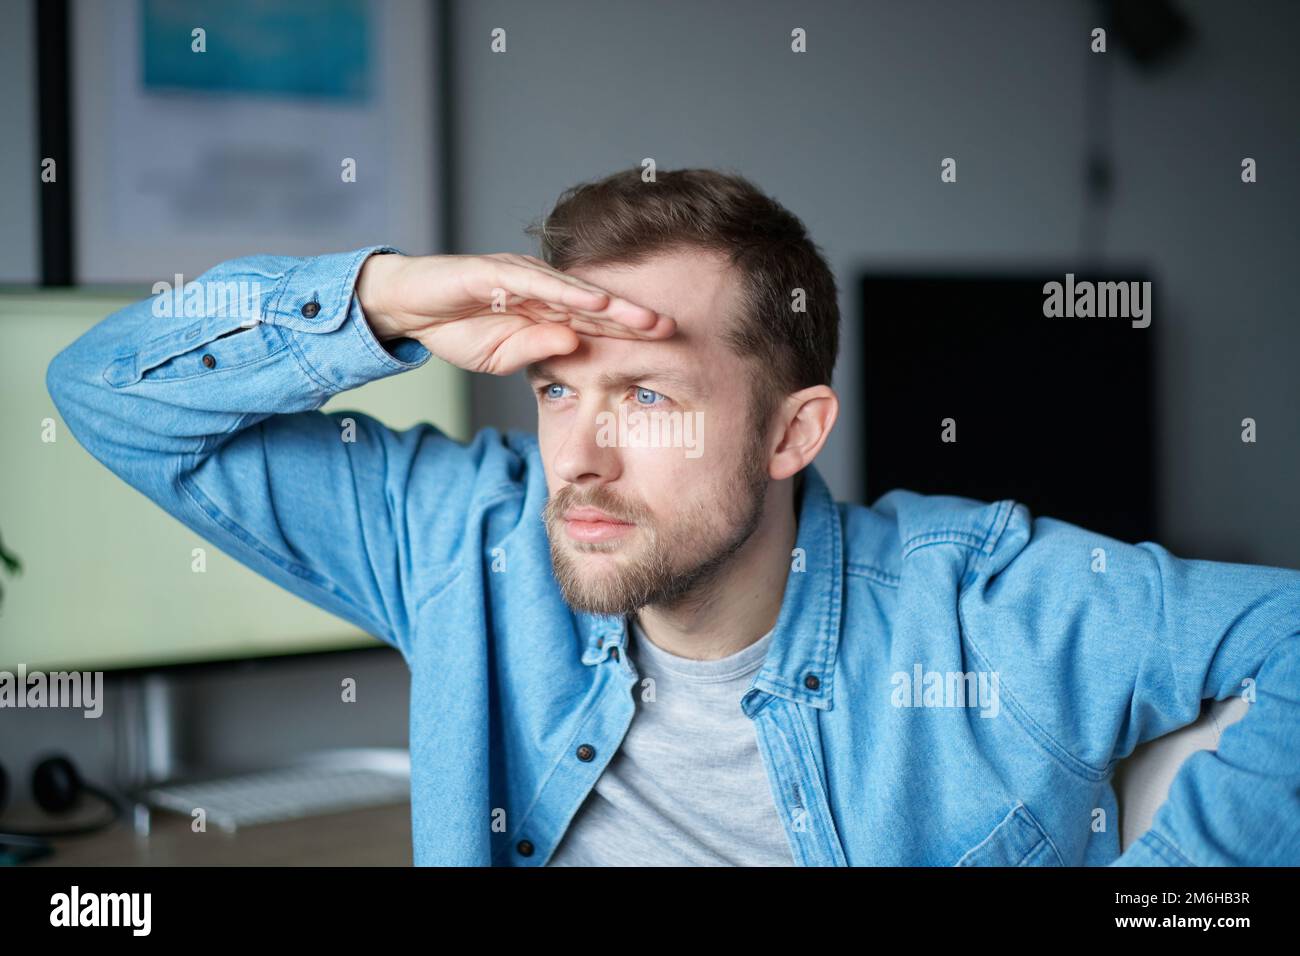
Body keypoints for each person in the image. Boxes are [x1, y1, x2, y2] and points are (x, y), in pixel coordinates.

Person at [46, 167, 1300, 866]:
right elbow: (101, 393)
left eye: (643, 393)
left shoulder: (977, 605)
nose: (576, 457)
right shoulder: (467, 546)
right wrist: (381, 296)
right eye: (555, 391)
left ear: (790, 433)